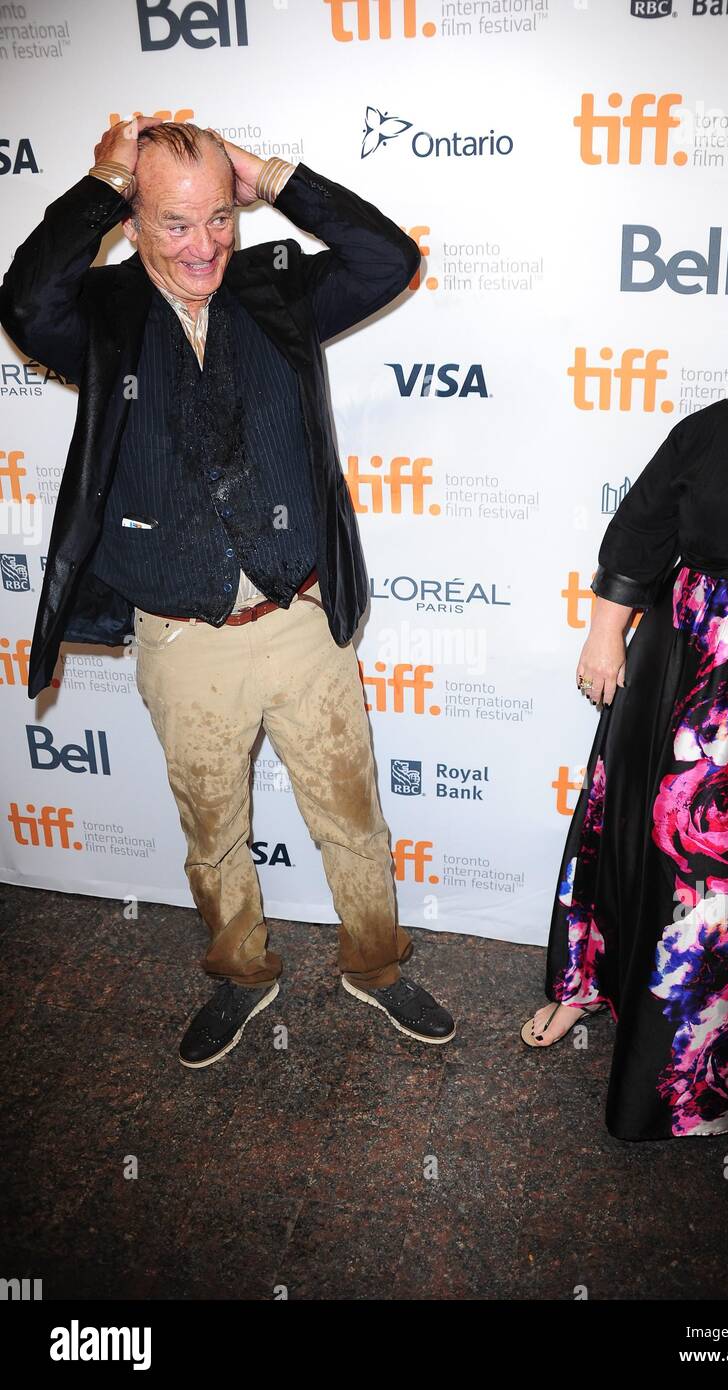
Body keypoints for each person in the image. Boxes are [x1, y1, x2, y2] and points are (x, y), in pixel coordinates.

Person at [0, 118, 455, 1066]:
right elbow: (23, 297)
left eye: (218, 218)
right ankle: (241, 975)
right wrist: (105, 179)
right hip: (181, 639)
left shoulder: (276, 291)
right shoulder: (102, 316)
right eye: (173, 224)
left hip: (300, 620)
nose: (204, 246)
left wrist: (274, 176)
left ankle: (375, 965)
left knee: (352, 816)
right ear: (131, 215)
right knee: (213, 835)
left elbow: (387, 258)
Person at [522, 262, 728, 1141]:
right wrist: (605, 634)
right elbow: (640, 525)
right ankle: (598, 997)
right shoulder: (721, 432)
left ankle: (719, 1059)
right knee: (651, 870)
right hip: (684, 705)